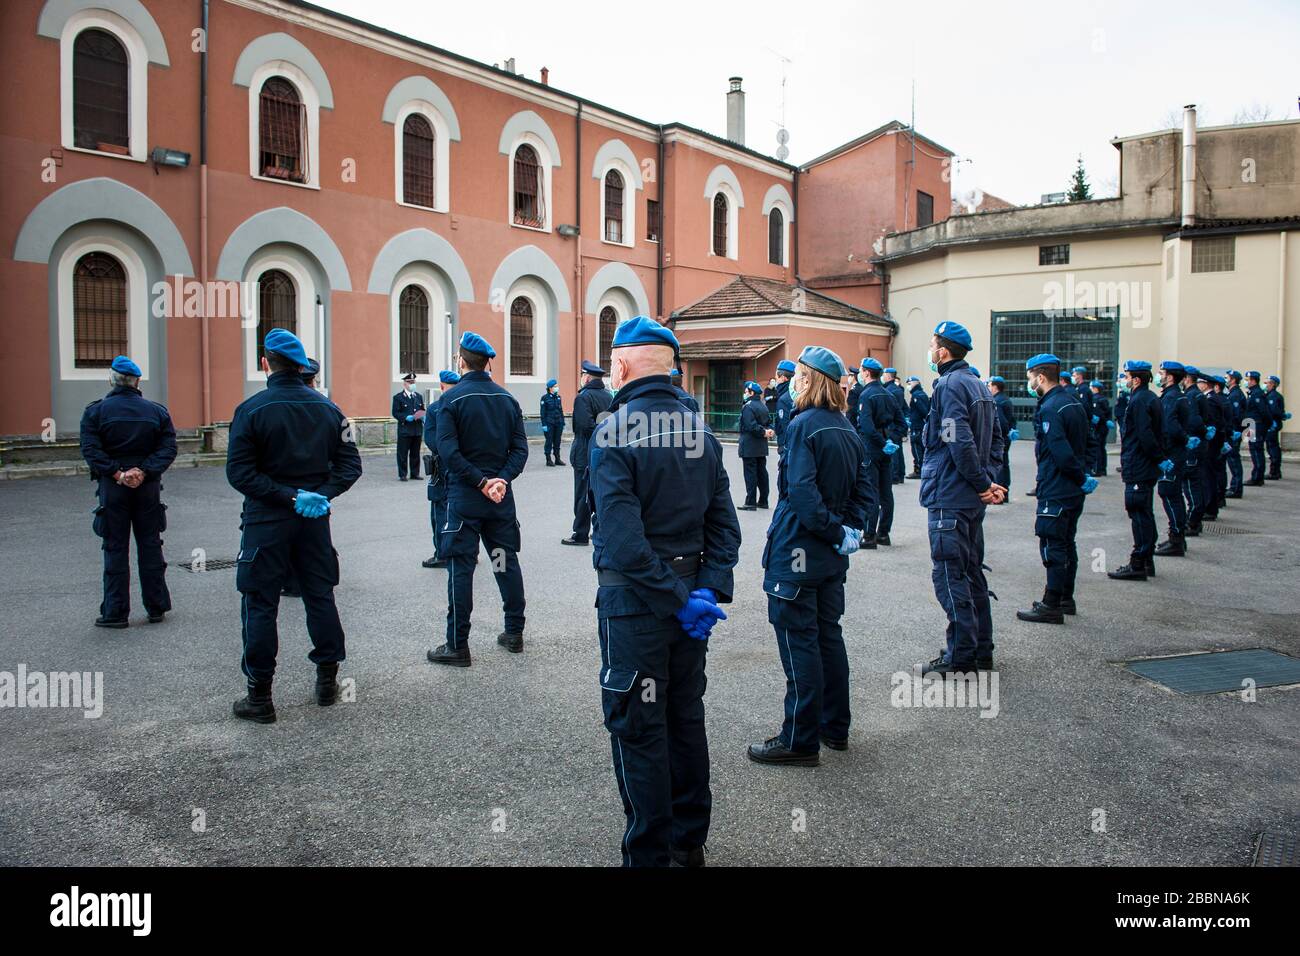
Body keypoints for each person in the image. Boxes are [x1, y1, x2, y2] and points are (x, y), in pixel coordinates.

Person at [588, 316, 740, 867]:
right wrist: (704, 592)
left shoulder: (614, 430)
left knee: (639, 726)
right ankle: (688, 844)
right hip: (687, 604)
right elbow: (725, 526)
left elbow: (626, 545)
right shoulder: (700, 431)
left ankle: (650, 856)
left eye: (612, 359)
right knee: (683, 716)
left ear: (623, 364)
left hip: (637, 604)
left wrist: (682, 599)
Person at [226, 329, 363, 722]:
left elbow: (239, 473)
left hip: (266, 520)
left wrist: (288, 496)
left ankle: (260, 697)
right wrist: (320, 494)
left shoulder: (250, 410)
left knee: (260, 603)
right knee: (320, 596)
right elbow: (351, 466)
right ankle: (326, 683)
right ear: (302, 366)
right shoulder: (331, 411)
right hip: (313, 522)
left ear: (265, 363)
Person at [749, 346, 870, 766]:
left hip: (799, 550)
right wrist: (848, 531)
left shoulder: (804, 425)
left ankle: (799, 739)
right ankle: (834, 728)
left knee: (800, 643)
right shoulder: (846, 427)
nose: (794, 381)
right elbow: (863, 493)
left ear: (810, 380)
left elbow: (800, 492)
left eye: (799, 374)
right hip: (830, 555)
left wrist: (837, 529)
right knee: (827, 638)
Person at [427, 332, 529, 665]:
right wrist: (501, 480)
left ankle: (457, 644)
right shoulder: (507, 400)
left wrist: (480, 482)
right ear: (488, 363)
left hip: (466, 497)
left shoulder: (450, 400)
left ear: (461, 361)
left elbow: (447, 450)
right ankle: (514, 632)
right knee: (503, 561)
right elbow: (520, 450)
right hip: (500, 498)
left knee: (461, 568)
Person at [917, 322, 1005, 674]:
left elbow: (958, 439)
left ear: (943, 351)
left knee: (951, 575)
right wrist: (989, 481)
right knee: (971, 573)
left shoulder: (950, 385)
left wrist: (983, 482)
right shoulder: (978, 385)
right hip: (968, 498)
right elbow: (997, 440)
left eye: (933, 343)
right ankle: (980, 648)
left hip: (950, 496)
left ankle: (962, 655)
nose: (930, 350)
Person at [78, 354, 178, 628]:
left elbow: (90, 450)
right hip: (147, 489)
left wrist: (118, 473)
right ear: (137, 382)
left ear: (112, 379)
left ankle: (115, 612)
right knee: (150, 545)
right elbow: (168, 448)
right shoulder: (156, 412)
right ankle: (156, 606)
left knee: (115, 548)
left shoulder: (95, 412)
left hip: (113, 489)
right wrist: (144, 471)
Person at [1016, 355, 1094, 624]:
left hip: (1057, 486)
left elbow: (1060, 451)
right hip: (1072, 488)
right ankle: (1065, 598)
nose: (1028, 383)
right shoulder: (1072, 401)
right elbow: (1089, 441)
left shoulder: (1051, 407)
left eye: (1029, 378)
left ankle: (1051, 604)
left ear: (1039, 377)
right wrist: (1084, 475)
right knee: (1067, 542)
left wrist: (1077, 474)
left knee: (1053, 545)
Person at [1109, 360, 1165, 581]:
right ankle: (1147, 560)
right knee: (1144, 512)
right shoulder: (1147, 397)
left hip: (1139, 465)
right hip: (1143, 464)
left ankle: (1139, 562)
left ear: (1136, 379)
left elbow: (1145, 435)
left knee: (1139, 512)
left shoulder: (1140, 400)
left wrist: (1157, 457)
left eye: (1126, 376)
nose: (1123, 380)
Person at [562, 360, 614, 546]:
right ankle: (600, 529)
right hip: (606, 450)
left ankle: (580, 533)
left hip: (585, 451)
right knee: (600, 492)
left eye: (582, 375)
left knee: (582, 494)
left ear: (587, 377)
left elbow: (584, 426)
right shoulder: (609, 396)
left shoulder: (583, 397)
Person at [856, 357, 902, 547]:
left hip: (872, 448)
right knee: (886, 492)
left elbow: (866, 426)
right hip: (885, 448)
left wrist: (882, 442)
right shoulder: (888, 394)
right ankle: (884, 533)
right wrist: (891, 439)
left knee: (871, 491)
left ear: (866, 373)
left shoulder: (866, 395)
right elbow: (901, 423)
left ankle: (869, 535)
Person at [1152, 361, 1195, 555]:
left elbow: (1169, 426)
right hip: (1175, 452)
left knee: (1169, 493)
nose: (1159, 376)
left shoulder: (1171, 397)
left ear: (1170, 377)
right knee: (1172, 494)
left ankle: (1176, 539)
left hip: (1172, 453)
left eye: (1162, 373)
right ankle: (1176, 537)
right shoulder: (1175, 396)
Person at [421, 369, 460, 570]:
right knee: (462, 508)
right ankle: (466, 551)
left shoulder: (435, 408)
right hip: (461, 465)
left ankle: (442, 553)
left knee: (439, 511)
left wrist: (447, 452)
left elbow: (430, 439)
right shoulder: (463, 403)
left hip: (443, 466)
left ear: (442, 386)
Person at [1179, 365, 1210, 534]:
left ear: (1187, 378)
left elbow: (1193, 420)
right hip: (1198, 443)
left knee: (1191, 483)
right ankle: (1195, 519)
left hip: (1193, 444)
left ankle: (1192, 521)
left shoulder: (1191, 395)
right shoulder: (1197, 394)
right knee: (1194, 481)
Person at [737, 381, 771, 510]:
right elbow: (769, 422)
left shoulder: (748, 407)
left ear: (751, 393)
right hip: (761, 446)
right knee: (762, 473)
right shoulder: (763, 406)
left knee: (750, 474)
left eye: (746, 392)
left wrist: (762, 432)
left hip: (750, 446)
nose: (744, 394)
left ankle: (750, 502)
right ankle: (763, 500)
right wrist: (768, 431)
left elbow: (750, 426)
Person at [392, 372, 425, 481]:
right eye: (410, 382)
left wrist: (422, 415)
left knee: (415, 453)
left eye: (413, 382)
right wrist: (406, 417)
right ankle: (403, 474)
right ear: (405, 384)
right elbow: (395, 412)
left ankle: (415, 473)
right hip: (405, 429)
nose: (412, 384)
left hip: (417, 429)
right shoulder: (398, 397)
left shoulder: (418, 396)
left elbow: (422, 409)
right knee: (402, 453)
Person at [989, 376, 1017, 496]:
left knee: (999, 465)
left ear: (995, 387)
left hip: (1001, 438)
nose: (988, 388)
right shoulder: (1005, 399)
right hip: (1006, 437)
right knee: (1004, 463)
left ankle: (1000, 492)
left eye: (989, 386)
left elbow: (1000, 422)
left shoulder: (997, 401)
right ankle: (1005, 490)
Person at [1243, 371, 1272, 486]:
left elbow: (1264, 412)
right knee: (1254, 450)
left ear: (1253, 380)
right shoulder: (1253, 393)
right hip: (1251, 424)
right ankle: (1256, 475)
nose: (1246, 382)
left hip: (1256, 425)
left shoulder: (1257, 394)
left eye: (1248, 380)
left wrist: (1266, 425)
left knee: (1256, 450)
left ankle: (1257, 477)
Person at [882, 368, 909, 484]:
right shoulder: (898, 390)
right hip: (897, 425)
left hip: (891, 425)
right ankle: (900, 474)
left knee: (894, 452)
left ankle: (895, 476)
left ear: (888, 376)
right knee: (899, 450)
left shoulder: (888, 390)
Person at [1223, 370, 1246, 498]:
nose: (1225, 380)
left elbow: (1236, 416)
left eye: (1227, 378)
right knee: (1232, 460)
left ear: (1232, 380)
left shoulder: (1235, 395)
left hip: (1234, 432)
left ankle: (1236, 488)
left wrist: (1233, 430)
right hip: (1233, 431)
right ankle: (1235, 486)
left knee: (1234, 460)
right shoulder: (1232, 393)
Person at [1264, 375, 1287, 479]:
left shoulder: (1273, 396)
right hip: (1271, 424)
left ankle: (1274, 472)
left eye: (1268, 383)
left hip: (1272, 425)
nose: (1266, 384)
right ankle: (1275, 471)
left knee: (1273, 448)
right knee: (1271, 447)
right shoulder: (1270, 395)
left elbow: (1273, 411)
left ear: (1273, 384)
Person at [905, 375, 930, 478]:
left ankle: (918, 470)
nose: (908, 386)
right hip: (920, 425)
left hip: (917, 426)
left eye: (910, 384)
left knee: (916, 448)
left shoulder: (917, 395)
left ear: (916, 383)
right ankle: (922, 469)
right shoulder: (921, 394)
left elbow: (923, 411)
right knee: (921, 448)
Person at [540, 378, 566, 466]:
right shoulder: (545, 398)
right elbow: (542, 413)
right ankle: (548, 459)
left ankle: (557, 459)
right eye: (555, 386)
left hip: (558, 423)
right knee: (549, 441)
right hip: (549, 423)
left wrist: (563, 421)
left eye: (557, 386)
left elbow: (560, 410)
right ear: (550, 388)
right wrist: (544, 425)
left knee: (557, 441)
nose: (557, 387)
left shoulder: (558, 397)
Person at [773, 359, 797, 452]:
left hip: (787, 446)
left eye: (776, 378)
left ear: (783, 378)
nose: (775, 381)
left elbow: (786, 427)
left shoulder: (784, 399)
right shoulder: (795, 393)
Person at [1089, 381, 1112, 477]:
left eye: (1091, 387)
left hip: (1098, 426)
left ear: (1095, 389)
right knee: (1102, 448)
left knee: (1097, 448)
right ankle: (1103, 469)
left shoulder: (1096, 399)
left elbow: (1098, 412)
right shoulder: (1104, 399)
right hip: (1104, 426)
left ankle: (1097, 470)